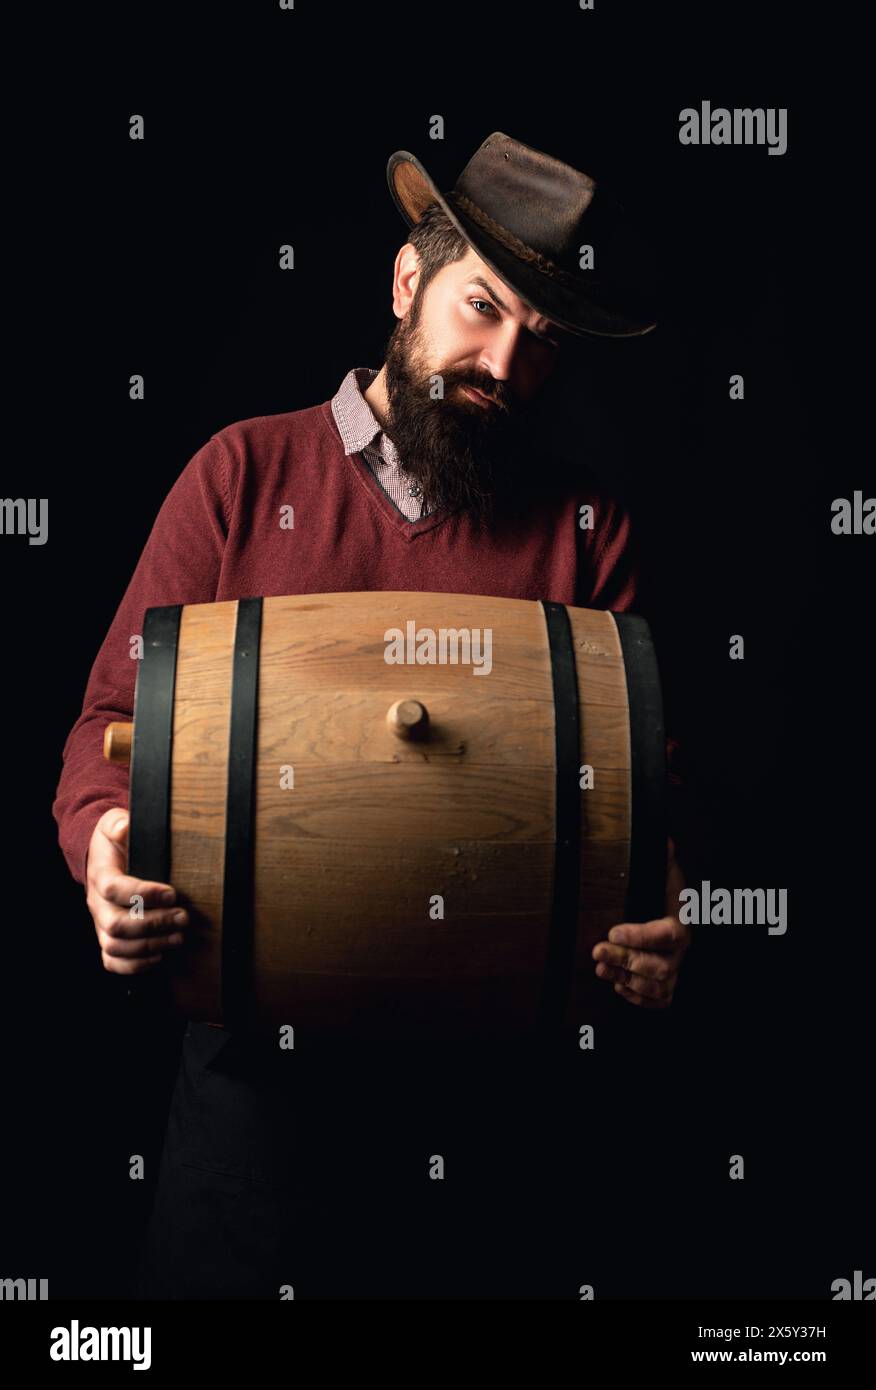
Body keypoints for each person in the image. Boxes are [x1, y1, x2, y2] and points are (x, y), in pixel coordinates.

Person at [53, 131, 691, 1298]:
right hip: (255, 1105)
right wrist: (104, 851)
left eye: (542, 338)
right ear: (408, 282)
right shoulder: (240, 474)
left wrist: (665, 907)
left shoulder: (589, 530)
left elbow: (649, 790)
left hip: (502, 1118)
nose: (503, 362)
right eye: (481, 307)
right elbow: (107, 726)